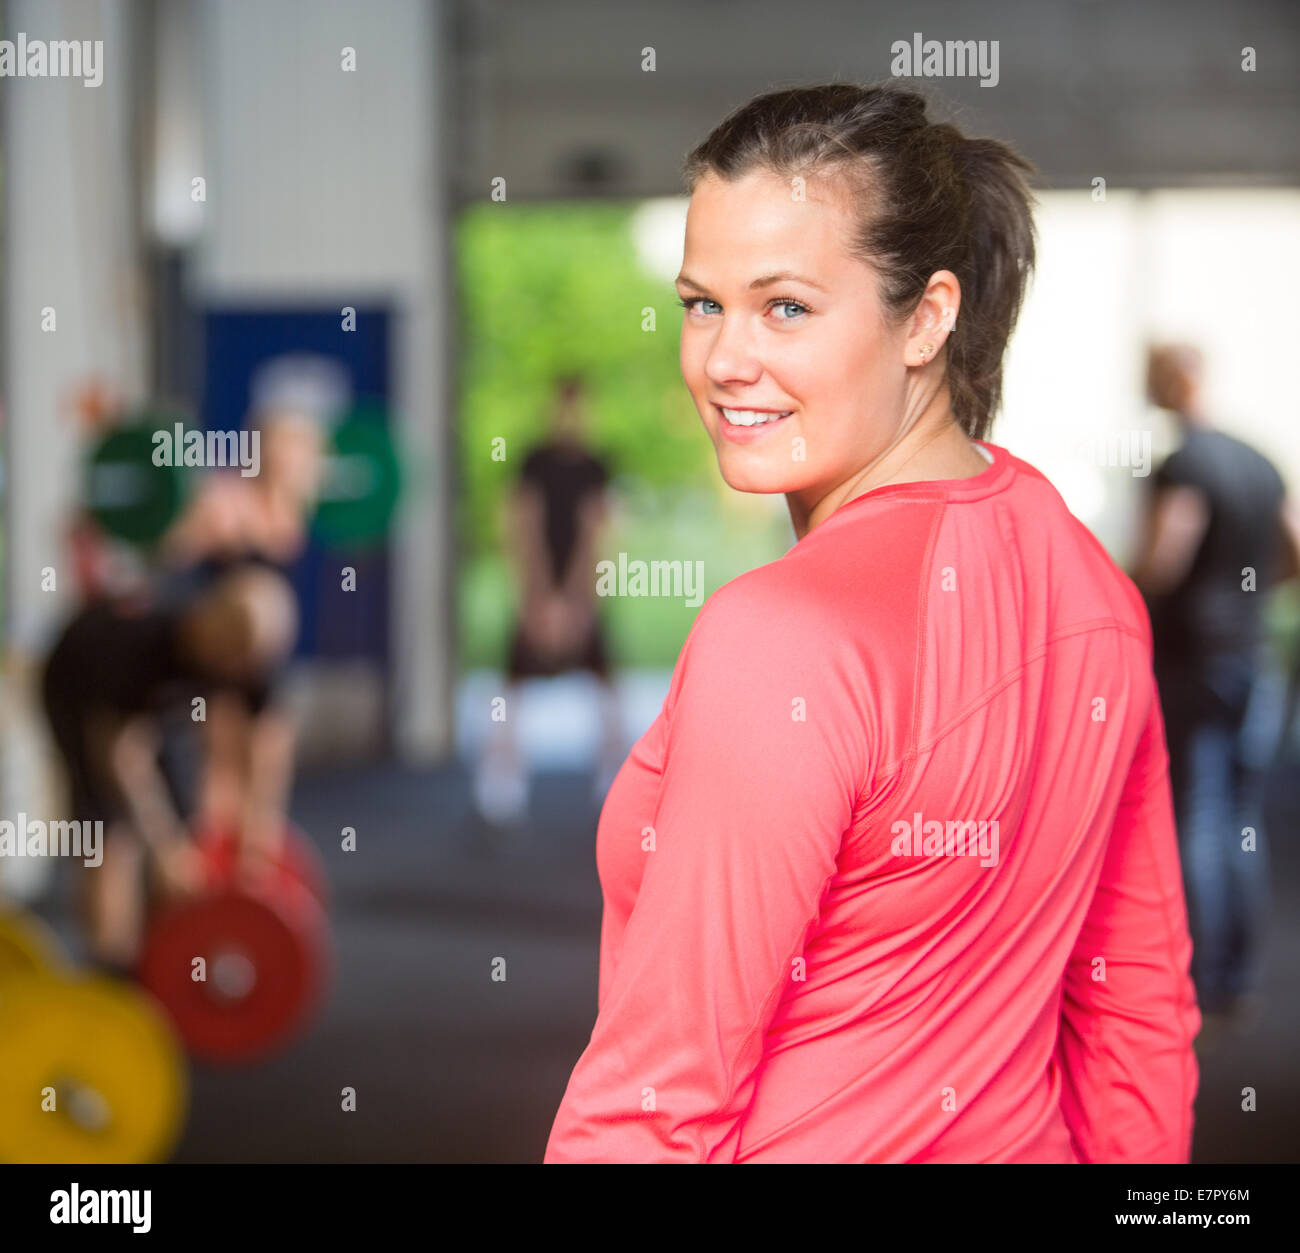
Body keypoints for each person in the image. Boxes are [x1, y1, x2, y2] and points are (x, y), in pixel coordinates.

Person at [544, 82, 1200, 1164]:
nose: (721, 360)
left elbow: (655, 1106)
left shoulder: (781, 635)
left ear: (928, 317)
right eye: (701, 302)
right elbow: (1134, 1016)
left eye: (785, 306)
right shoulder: (1097, 591)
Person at [1131, 343, 1300, 1037]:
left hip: (1195, 660)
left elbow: (1168, 553)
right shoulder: (1258, 457)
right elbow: (1292, 549)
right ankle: (1240, 975)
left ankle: (1196, 975)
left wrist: (1128, 592)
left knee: (1198, 814)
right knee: (1242, 814)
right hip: (1255, 656)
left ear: (1170, 381)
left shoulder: (1187, 461)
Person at [40, 566, 300, 969]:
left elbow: (266, 742)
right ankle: (110, 968)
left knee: (190, 810)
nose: (237, 670)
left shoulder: (249, 652)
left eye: (244, 664)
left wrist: (260, 834)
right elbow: (121, 757)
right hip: (79, 690)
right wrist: (165, 846)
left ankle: (168, 955)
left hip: (153, 704)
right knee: (108, 830)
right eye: (231, 657)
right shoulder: (143, 643)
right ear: (206, 627)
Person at [474, 376, 624, 825]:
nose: (571, 418)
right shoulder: (533, 462)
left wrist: (580, 602)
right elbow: (523, 529)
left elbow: (598, 536)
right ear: (554, 410)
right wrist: (537, 598)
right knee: (511, 686)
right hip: (537, 592)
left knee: (607, 686)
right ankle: (502, 776)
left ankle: (614, 774)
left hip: (582, 593)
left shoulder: (598, 466)